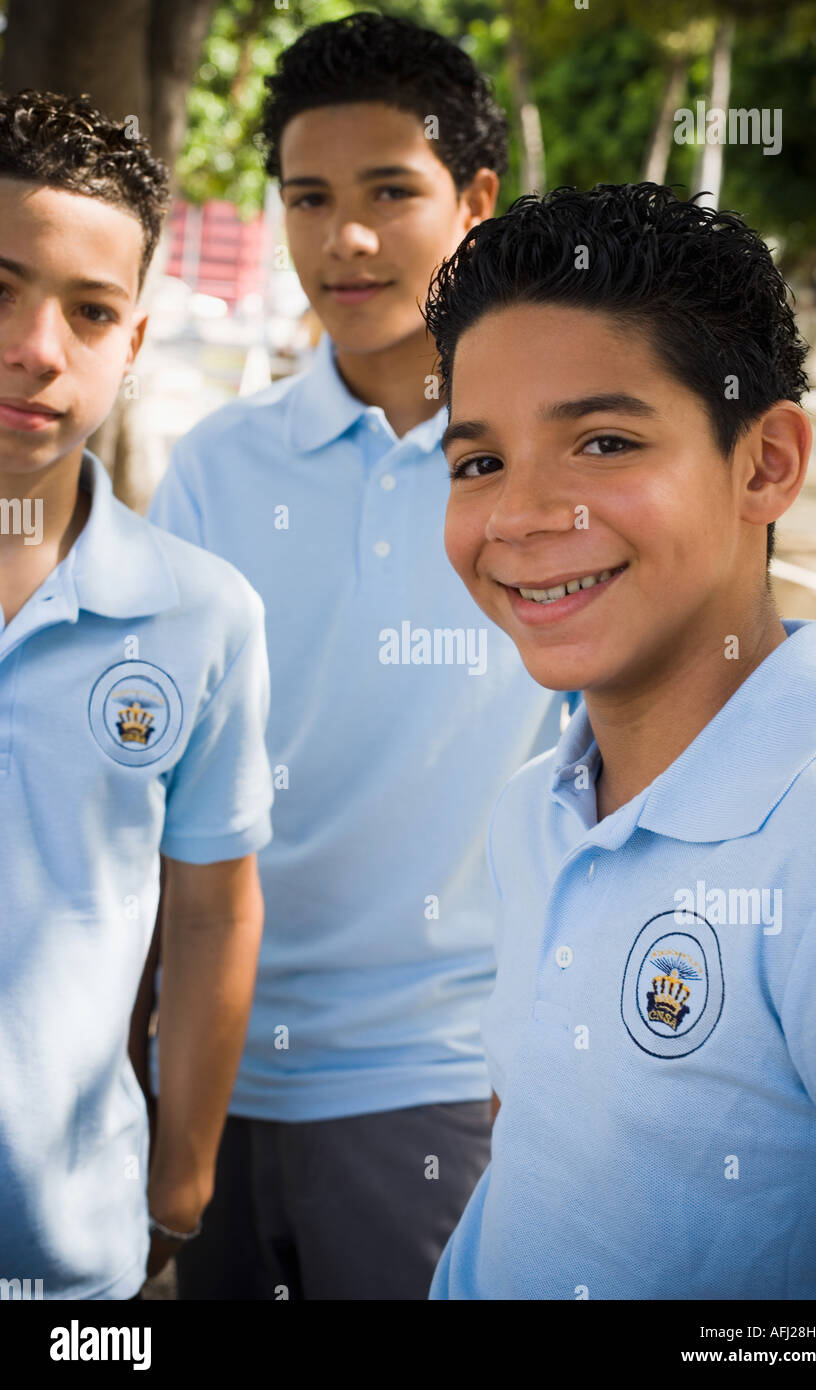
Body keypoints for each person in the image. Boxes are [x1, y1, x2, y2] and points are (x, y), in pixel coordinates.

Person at [149, 13, 562, 1300]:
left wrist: (531, 1069)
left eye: (391, 191)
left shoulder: (552, 480)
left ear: (475, 201)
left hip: (433, 1084)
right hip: (205, 1072)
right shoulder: (219, 467)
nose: (349, 239)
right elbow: (155, 774)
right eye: (309, 198)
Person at [423, 181, 816, 1298]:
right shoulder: (539, 806)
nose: (522, 515)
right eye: (477, 462)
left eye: (604, 441)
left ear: (764, 463)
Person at [0, 91, 273, 1299]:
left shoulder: (201, 617)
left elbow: (211, 915)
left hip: (74, 1263)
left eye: (89, 311)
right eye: (0, 288)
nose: (39, 347)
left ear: (134, 339)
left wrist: (179, 1183)